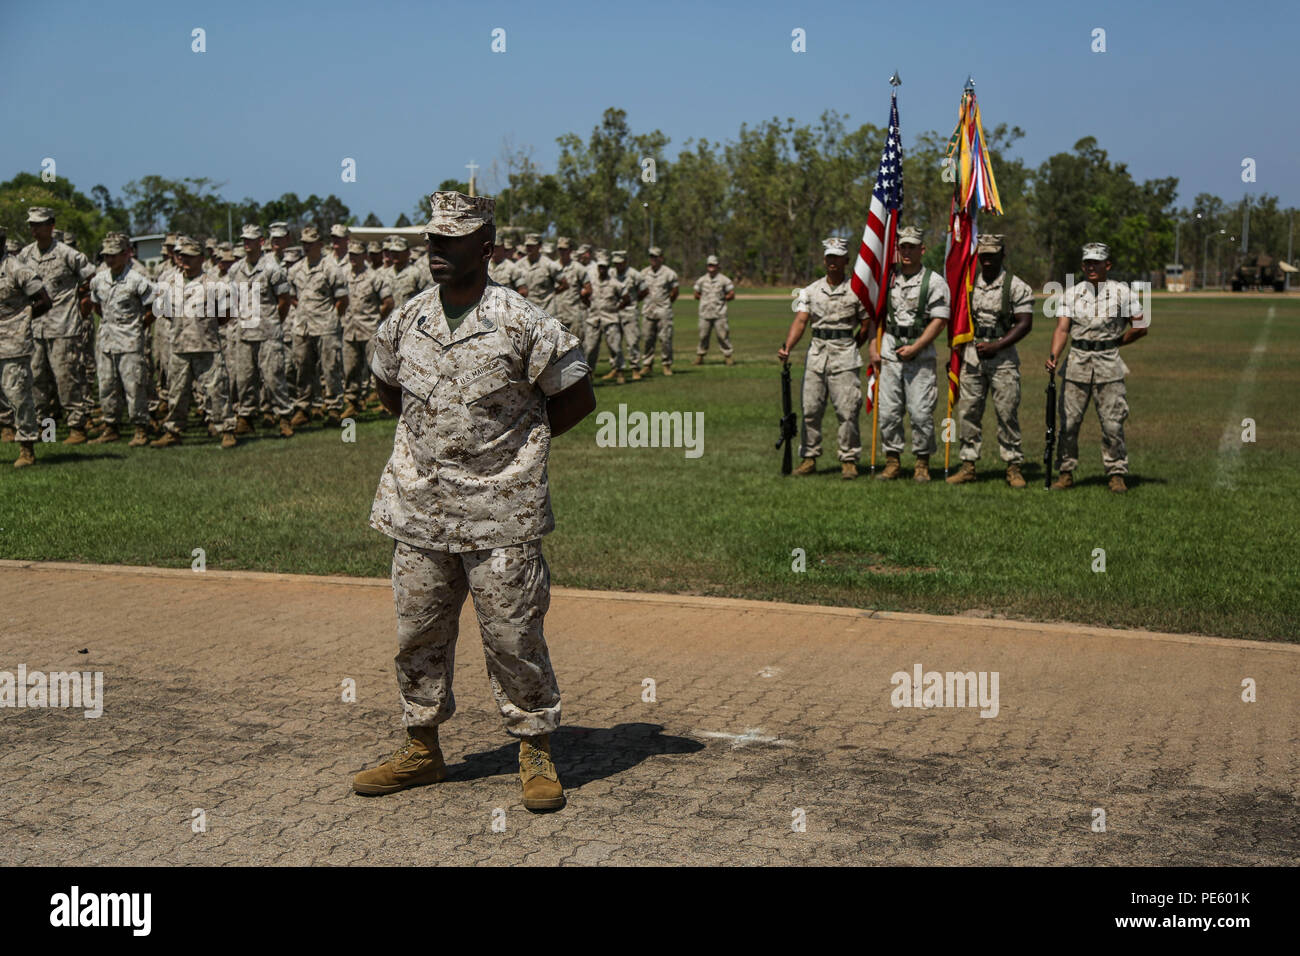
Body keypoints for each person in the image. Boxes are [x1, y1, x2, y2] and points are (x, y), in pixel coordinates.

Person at [353, 191, 596, 812]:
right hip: (420, 507)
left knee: (514, 635)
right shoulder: (407, 319)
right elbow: (387, 388)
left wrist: (515, 450)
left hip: (500, 512)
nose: (435, 250)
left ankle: (535, 747)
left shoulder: (522, 321)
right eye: (431, 239)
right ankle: (421, 747)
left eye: (450, 241)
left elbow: (575, 396)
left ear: (485, 248)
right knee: (417, 633)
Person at [1046, 241, 1147, 494]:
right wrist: (1053, 355)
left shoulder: (1124, 293)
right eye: (1087, 263)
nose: (1091, 267)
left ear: (1107, 265)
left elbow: (1141, 326)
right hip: (1076, 362)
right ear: (1083, 265)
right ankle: (1066, 472)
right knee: (1068, 423)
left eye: (1096, 263)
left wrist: (1116, 342)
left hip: (1109, 365)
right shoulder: (1071, 293)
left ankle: (1116, 474)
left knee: (1113, 423)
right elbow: (1062, 328)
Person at [946, 234, 1035, 487]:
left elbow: (1025, 323)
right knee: (968, 413)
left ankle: (1013, 466)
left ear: (1002, 255)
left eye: (992, 256)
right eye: (983, 256)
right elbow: (959, 321)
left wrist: (997, 345)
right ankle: (968, 465)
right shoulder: (968, 285)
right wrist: (955, 355)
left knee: (1007, 413)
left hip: (1003, 360)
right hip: (971, 358)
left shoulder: (1016, 286)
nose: (986, 261)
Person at [778, 237, 869, 479]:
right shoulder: (809, 291)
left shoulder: (857, 290)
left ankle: (849, 459)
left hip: (845, 355)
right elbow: (800, 321)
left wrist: (853, 345)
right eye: (829, 256)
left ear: (846, 260)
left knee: (848, 410)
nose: (832, 261)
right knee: (810, 408)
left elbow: (866, 324)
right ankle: (809, 457)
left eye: (837, 257)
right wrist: (788, 346)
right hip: (817, 354)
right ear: (824, 259)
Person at [871, 226, 949, 482]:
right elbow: (875, 313)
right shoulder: (886, 279)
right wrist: (874, 346)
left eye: (912, 247)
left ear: (922, 250)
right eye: (903, 246)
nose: (906, 251)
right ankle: (892, 460)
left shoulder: (935, 282)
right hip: (890, 353)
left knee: (920, 412)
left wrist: (916, 347)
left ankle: (921, 463)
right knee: (889, 411)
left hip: (921, 354)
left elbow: (939, 321)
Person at [149, 238, 238, 449]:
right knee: (176, 393)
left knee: (217, 391)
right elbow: (165, 312)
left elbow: (225, 314)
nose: (184, 260)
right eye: (181, 256)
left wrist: (204, 326)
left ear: (201, 258)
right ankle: (173, 431)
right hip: (179, 346)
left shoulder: (214, 283)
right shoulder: (170, 282)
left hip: (206, 345)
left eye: (190, 256)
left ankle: (226, 430)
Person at [19, 207, 97, 443]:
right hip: (35, 327)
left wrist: (80, 299)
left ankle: (77, 427)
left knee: (66, 378)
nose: (34, 229)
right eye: (31, 224)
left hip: (63, 326)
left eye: (39, 224)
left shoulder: (67, 254)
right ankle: (47, 428)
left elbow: (92, 277)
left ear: (51, 225)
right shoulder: (25, 255)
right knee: (37, 379)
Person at [86, 235, 157, 447]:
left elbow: (154, 307)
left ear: (124, 255)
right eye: (106, 255)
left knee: (134, 386)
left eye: (114, 255)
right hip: (107, 340)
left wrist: (137, 325)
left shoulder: (137, 280)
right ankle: (110, 427)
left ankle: (140, 428)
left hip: (130, 341)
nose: (109, 259)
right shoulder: (99, 280)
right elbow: (96, 306)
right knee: (106, 385)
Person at [229, 224, 295, 437]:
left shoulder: (272, 268)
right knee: (245, 378)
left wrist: (273, 322)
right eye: (244, 240)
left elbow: (284, 301)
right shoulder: (235, 270)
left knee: (274, 376)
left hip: (268, 333)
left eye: (251, 240)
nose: (246, 244)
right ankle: (246, 417)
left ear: (261, 242)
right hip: (245, 332)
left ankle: (284, 417)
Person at [0, 225, 52, 467]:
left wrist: (22, 319)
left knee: (18, 394)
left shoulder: (16, 269)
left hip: (13, 343)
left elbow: (43, 300)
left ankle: (27, 448)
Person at [288, 226, 349, 428]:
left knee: (330, 368)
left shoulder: (330, 268)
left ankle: (333, 408)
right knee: (302, 367)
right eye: (303, 243)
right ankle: (304, 407)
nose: (306, 247)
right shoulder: (295, 269)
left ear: (320, 245)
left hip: (326, 327)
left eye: (310, 243)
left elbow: (342, 299)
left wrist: (330, 318)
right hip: (302, 327)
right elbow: (291, 296)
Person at [341, 239, 394, 418]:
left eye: (356, 255)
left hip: (369, 329)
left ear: (364, 256)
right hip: (349, 330)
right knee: (350, 369)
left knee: (377, 369)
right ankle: (352, 403)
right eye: (351, 255)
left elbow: (388, 302)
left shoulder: (374, 277)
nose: (353, 258)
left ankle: (385, 403)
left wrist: (376, 318)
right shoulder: (343, 275)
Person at [580, 254, 630, 384]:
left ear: (608, 268)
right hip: (594, 319)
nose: (602, 269)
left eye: (604, 267)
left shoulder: (615, 283)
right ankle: (589, 374)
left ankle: (619, 371)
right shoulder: (591, 282)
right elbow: (584, 296)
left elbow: (626, 298)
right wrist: (587, 303)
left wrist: (617, 308)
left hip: (610, 318)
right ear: (597, 268)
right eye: (600, 267)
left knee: (615, 347)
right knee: (590, 348)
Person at [639, 246, 678, 377]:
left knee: (665, 339)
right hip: (648, 310)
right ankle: (647, 365)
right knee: (648, 339)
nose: (653, 259)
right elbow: (640, 290)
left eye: (655, 257)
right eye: (651, 257)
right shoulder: (644, 273)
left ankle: (666, 365)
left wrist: (666, 303)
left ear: (661, 258)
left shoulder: (669, 273)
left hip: (663, 311)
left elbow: (675, 292)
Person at [692, 254, 735, 366]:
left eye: (713, 265)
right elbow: (696, 293)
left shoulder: (724, 280)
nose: (711, 267)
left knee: (723, 335)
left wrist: (722, 299)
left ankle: (728, 356)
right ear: (707, 266)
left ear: (717, 266)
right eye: (709, 265)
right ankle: (700, 356)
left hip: (719, 313)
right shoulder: (701, 280)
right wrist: (704, 300)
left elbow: (731, 294)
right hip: (705, 313)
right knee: (703, 336)